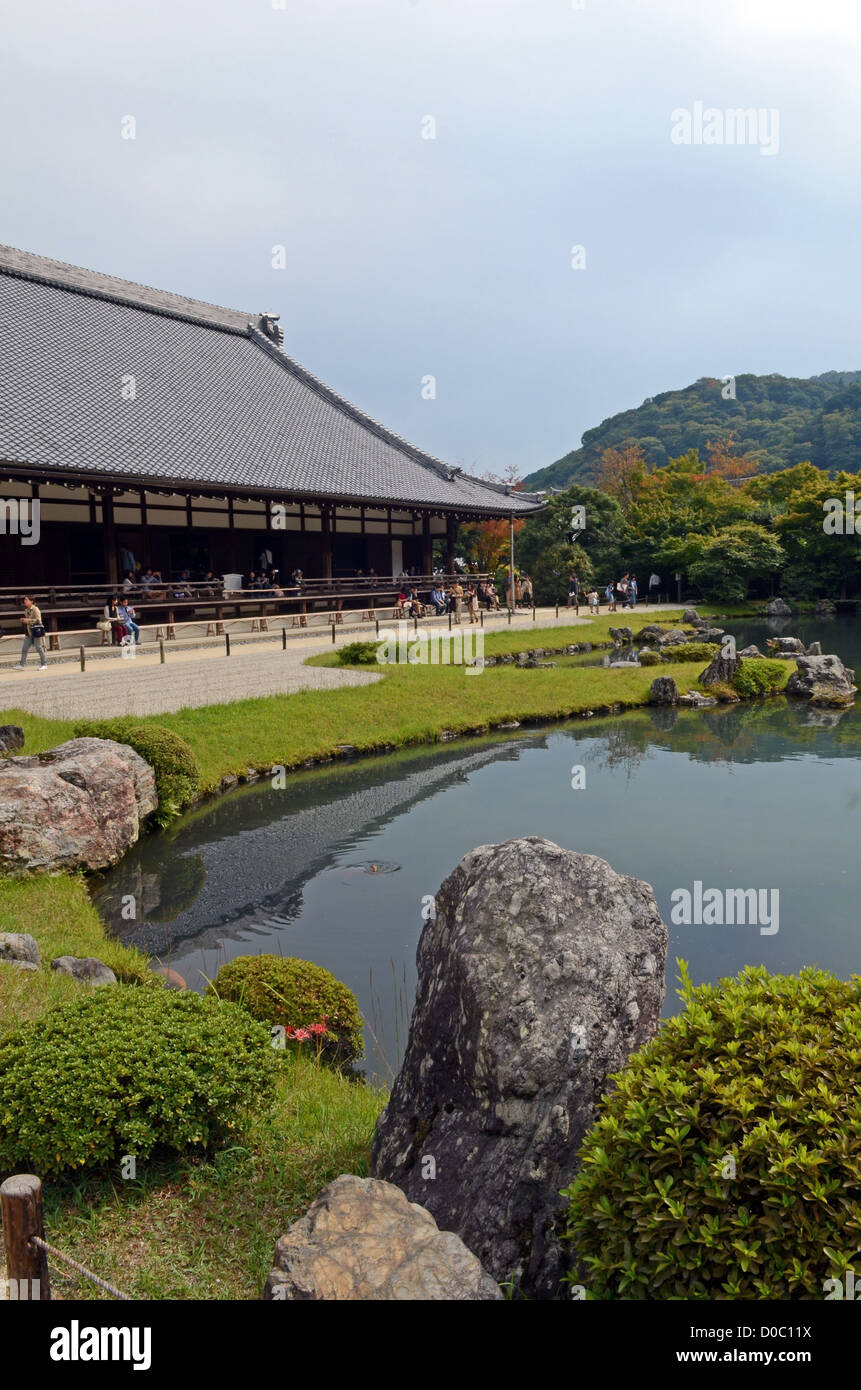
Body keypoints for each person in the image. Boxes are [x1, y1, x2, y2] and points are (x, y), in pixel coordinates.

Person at [14, 595, 47, 670]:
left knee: (39, 648)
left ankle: (44, 664)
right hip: (29, 632)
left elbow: (38, 621)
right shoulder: (26, 610)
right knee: (24, 649)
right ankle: (21, 665)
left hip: (36, 632)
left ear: (31, 601)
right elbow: (29, 621)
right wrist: (24, 620)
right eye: (24, 600)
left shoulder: (36, 609)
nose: (25, 601)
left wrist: (27, 620)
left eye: (26, 600)